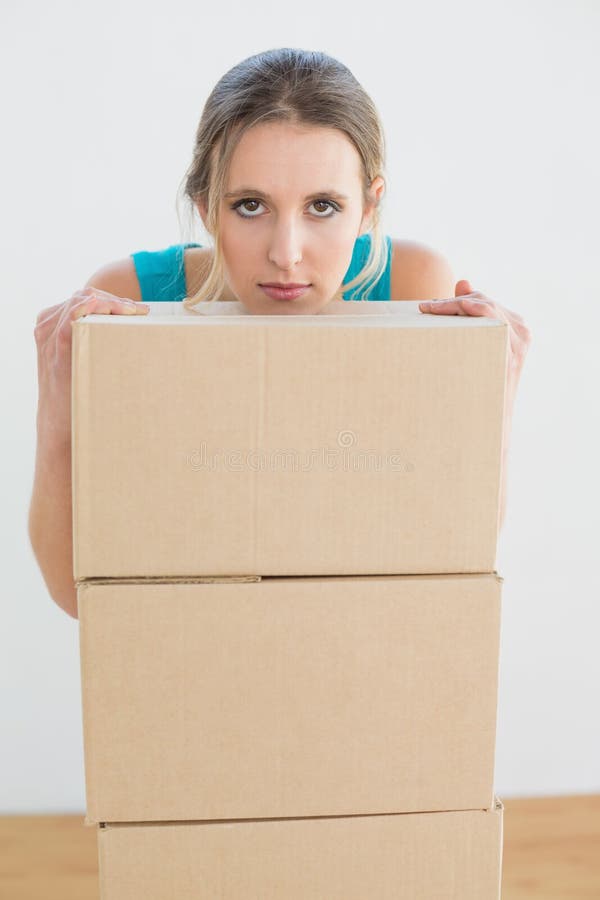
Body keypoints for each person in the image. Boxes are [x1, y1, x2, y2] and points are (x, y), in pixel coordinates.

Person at [29, 47, 531, 619]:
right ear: (204, 207)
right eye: (249, 205)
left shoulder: (411, 287)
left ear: (369, 208)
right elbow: (80, 597)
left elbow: (447, 563)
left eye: (322, 205)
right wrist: (56, 412)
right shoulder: (133, 298)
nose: (285, 254)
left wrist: (498, 398)